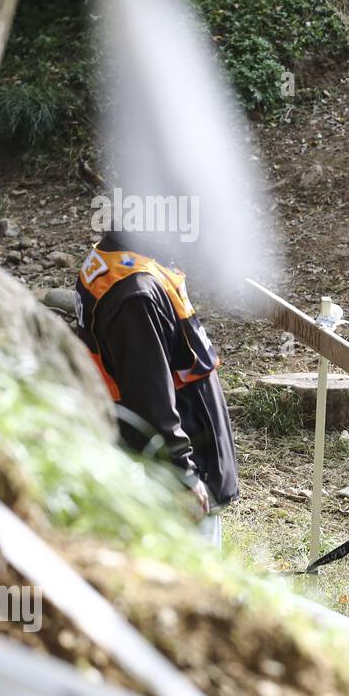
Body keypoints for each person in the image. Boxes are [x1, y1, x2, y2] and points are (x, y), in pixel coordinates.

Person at [74, 230, 238, 545]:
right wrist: (182, 475)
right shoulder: (135, 293)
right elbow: (149, 401)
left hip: (174, 477)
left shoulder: (125, 260)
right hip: (175, 492)